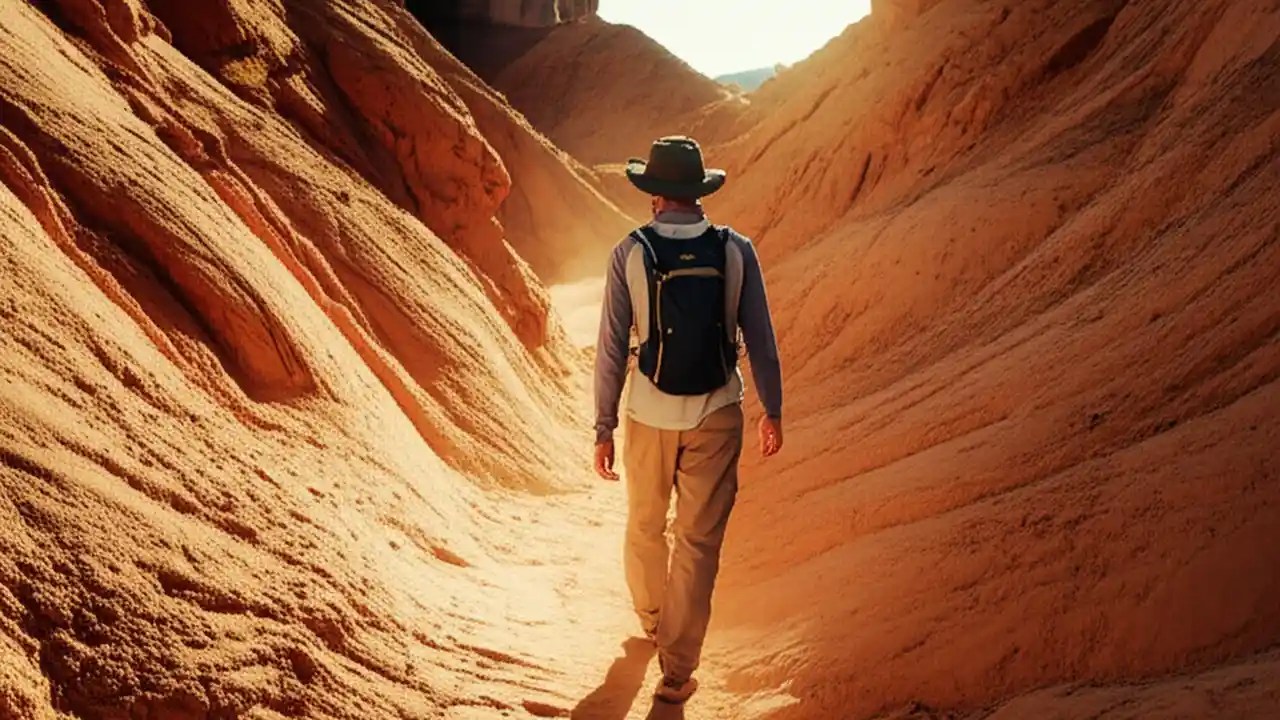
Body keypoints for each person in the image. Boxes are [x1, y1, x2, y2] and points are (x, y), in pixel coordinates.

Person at [592, 136, 784, 704]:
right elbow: (762, 341)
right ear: (699, 194)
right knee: (698, 543)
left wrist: (603, 427)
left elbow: (608, 349)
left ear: (654, 197)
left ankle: (654, 622)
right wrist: (772, 410)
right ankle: (677, 672)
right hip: (718, 411)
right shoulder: (735, 250)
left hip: (648, 412)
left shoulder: (628, 253)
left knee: (646, 525)